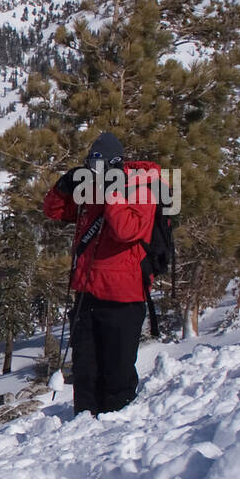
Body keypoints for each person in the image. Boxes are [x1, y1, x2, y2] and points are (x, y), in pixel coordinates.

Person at [44, 132, 158, 416]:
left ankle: (115, 433)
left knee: (116, 373)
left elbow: (126, 230)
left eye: (100, 167)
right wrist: (64, 185)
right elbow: (54, 211)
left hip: (122, 297)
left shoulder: (142, 188)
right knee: (85, 372)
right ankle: (82, 426)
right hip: (87, 293)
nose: (94, 173)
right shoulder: (92, 189)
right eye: (90, 166)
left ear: (115, 165)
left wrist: (112, 192)